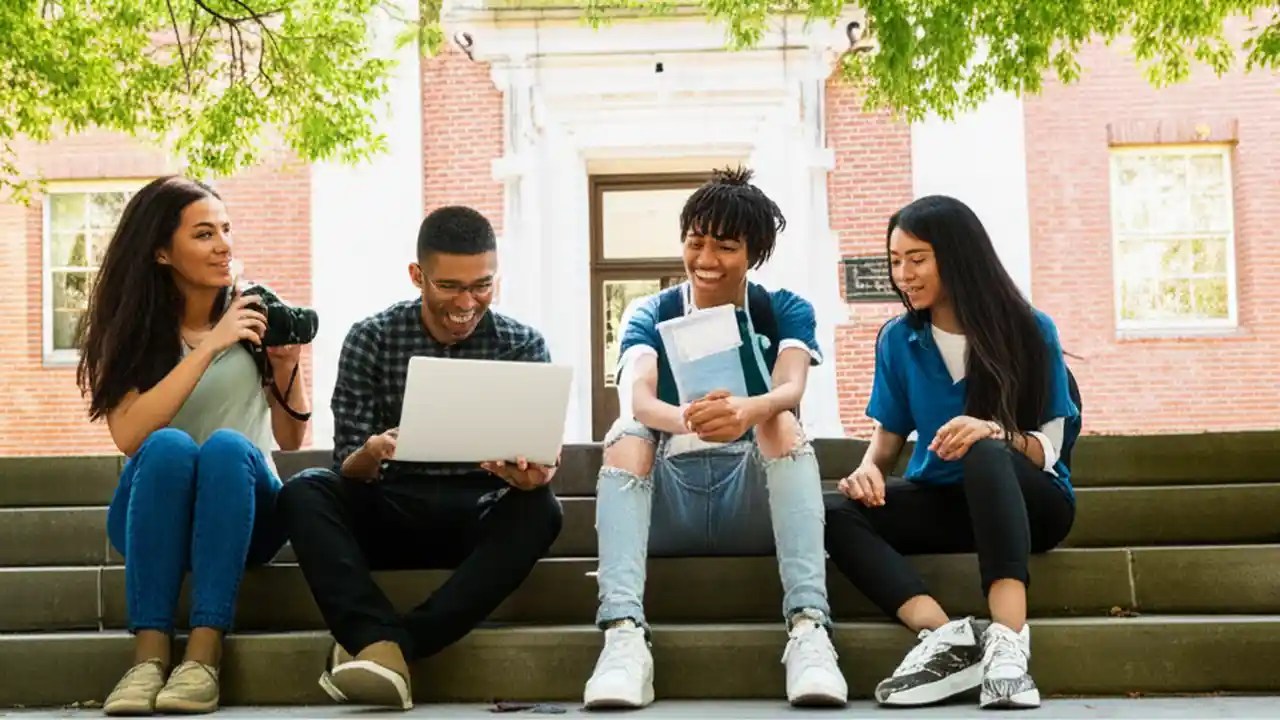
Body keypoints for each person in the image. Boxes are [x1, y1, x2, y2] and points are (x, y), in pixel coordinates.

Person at [276, 205, 564, 711]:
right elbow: (348, 466)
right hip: (389, 504)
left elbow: (542, 457)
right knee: (304, 491)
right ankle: (381, 640)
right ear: (417, 275)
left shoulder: (523, 344)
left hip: (479, 509)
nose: (467, 302)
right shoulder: (372, 337)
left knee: (543, 509)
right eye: (449, 286)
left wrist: (535, 476)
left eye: (482, 285)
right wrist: (371, 452)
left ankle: (385, 645)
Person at [582, 167, 847, 709]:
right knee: (626, 432)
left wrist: (747, 411)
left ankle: (809, 630)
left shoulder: (784, 309)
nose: (706, 258)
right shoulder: (650, 312)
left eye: (725, 246)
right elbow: (639, 398)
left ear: (753, 254)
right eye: (695, 241)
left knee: (781, 420)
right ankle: (623, 637)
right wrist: (692, 420)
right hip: (671, 498)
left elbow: (791, 386)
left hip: (751, 498)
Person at [824, 195, 1081, 710]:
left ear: (958, 255)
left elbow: (1051, 446)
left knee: (983, 453)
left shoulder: (1031, 330)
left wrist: (995, 433)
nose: (903, 275)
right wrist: (867, 473)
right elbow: (885, 444)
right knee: (831, 510)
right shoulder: (898, 340)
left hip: (1034, 504)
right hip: (946, 500)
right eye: (895, 261)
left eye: (917, 259)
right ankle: (948, 639)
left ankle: (1008, 645)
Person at [75, 176, 312, 715]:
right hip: (159, 514)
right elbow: (129, 435)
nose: (223, 245)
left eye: (226, 229)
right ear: (161, 252)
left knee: (226, 447)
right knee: (167, 447)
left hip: (246, 514)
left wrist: (285, 367)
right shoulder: (132, 329)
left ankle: (203, 656)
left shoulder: (256, 313)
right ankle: (148, 659)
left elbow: (291, 437)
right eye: (204, 234)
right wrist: (210, 346)